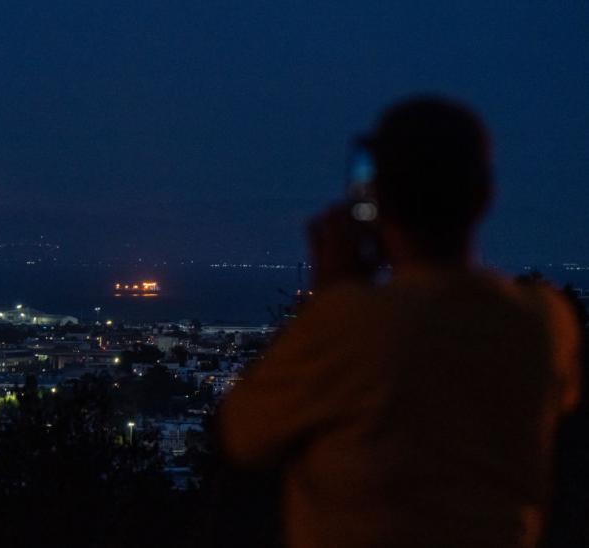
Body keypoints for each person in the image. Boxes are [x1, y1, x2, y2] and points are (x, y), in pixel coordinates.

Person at [218, 96, 581, 548]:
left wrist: (332, 294)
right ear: (485, 195)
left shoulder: (352, 324)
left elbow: (243, 435)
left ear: (376, 200)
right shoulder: (547, 322)